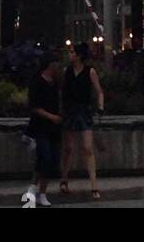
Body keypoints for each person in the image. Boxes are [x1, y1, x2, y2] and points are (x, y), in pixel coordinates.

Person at [60, 41, 105, 201]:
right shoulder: (67, 71)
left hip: (84, 111)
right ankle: (64, 179)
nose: (69, 55)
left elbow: (99, 91)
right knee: (68, 148)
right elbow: (63, 93)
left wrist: (100, 106)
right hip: (71, 111)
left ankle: (94, 186)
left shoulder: (89, 71)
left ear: (78, 55)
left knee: (88, 148)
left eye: (72, 52)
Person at [27, 54, 62, 206]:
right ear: (50, 65)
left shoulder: (54, 83)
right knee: (45, 158)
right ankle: (34, 191)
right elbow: (34, 107)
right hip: (40, 127)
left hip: (53, 129)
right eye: (56, 64)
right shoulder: (37, 82)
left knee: (50, 161)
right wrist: (51, 117)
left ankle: (41, 192)